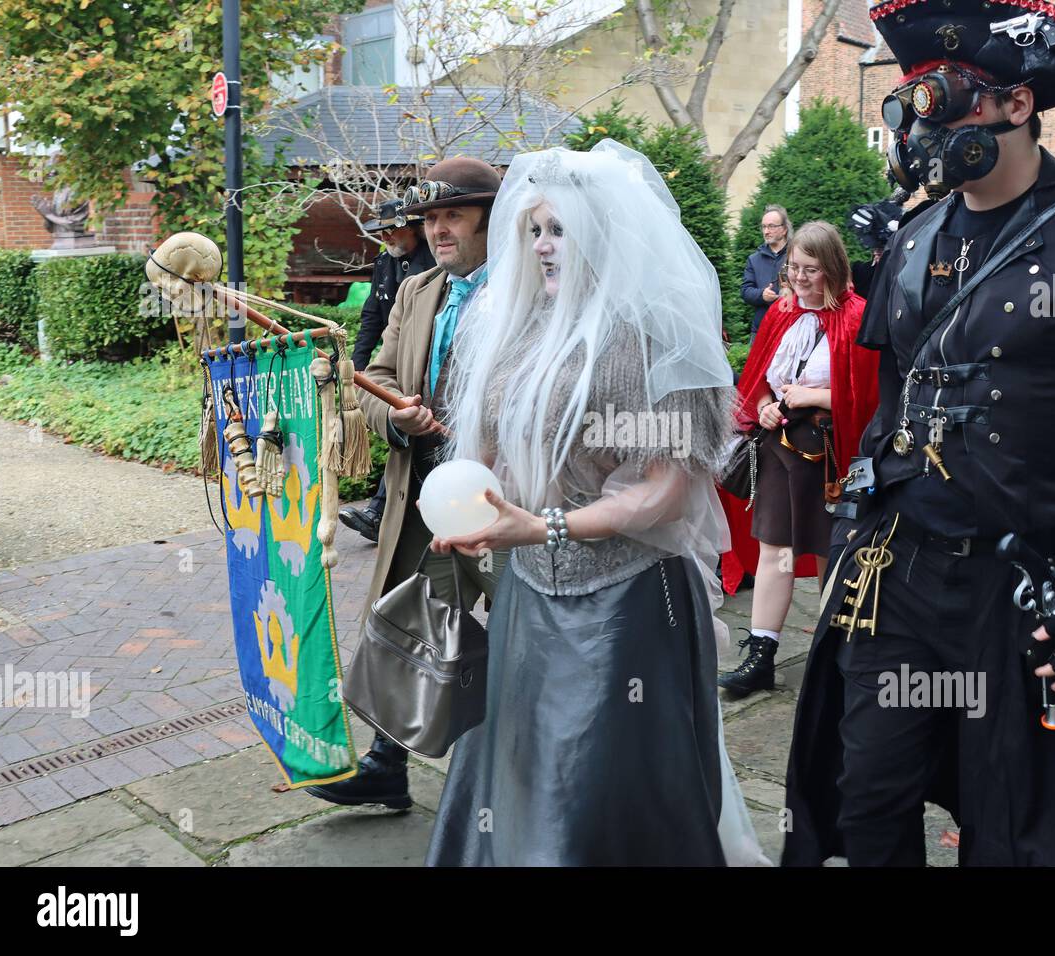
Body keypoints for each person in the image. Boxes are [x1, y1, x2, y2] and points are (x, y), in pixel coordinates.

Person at [783, 0, 1055, 867]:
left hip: (1026, 586)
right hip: (894, 575)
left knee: (1016, 827)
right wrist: (852, 524)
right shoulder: (913, 238)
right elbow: (891, 402)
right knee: (864, 802)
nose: (922, 125)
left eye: (943, 98)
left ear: (1017, 107)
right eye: (909, 103)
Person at [423, 140, 768, 866]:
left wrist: (543, 525)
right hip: (527, 595)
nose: (544, 247)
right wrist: (474, 511)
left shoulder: (655, 340)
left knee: (604, 784)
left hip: (627, 607)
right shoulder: (510, 327)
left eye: (560, 230)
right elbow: (488, 445)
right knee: (519, 773)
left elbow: (665, 489)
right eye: (534, 230)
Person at [307, 157, 509, 811]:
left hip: (507, 508)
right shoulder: (418, 291)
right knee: (404, 628)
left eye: (454, 215)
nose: (439, 229)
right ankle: (387, 764)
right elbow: (378, 378)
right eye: (432, 218)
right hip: (422, 500)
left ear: (488, 219)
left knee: (521, 638)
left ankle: (523, 774)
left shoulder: (529, 292)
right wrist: (395, 416)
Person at [718, 222, 879, 698]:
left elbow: (871, 399)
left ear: (833, 268)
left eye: (811, 269)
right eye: (794, 268)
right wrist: (766, 402)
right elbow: (759, 378)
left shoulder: (857, 318)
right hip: (782, 452)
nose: (801, 278)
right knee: (776, 552)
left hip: (833, 457)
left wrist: (815, 395)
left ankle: (833, 658)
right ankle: (762, 655)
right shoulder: (781, 313)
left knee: (835, 554)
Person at [338, 194, 437, 543]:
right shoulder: (384, 263)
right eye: (381, 234)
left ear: (414, 229)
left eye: (392, 232)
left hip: (426, 363)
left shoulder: (436, 261)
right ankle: (382, 513)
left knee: (416, 431)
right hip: (393, 361)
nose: (387, 239)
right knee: (400, 428)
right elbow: (371, 317)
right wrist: (355, 366)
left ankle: (382, 512)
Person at [741, 206, 792, 342]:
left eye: (771, 226)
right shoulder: (754, 259)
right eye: (763, 227)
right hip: (761, 329)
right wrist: (762, 295)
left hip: (791, 327)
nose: (766, 231)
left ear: (784, 229)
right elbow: (745, 292)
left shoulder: (796, 254)